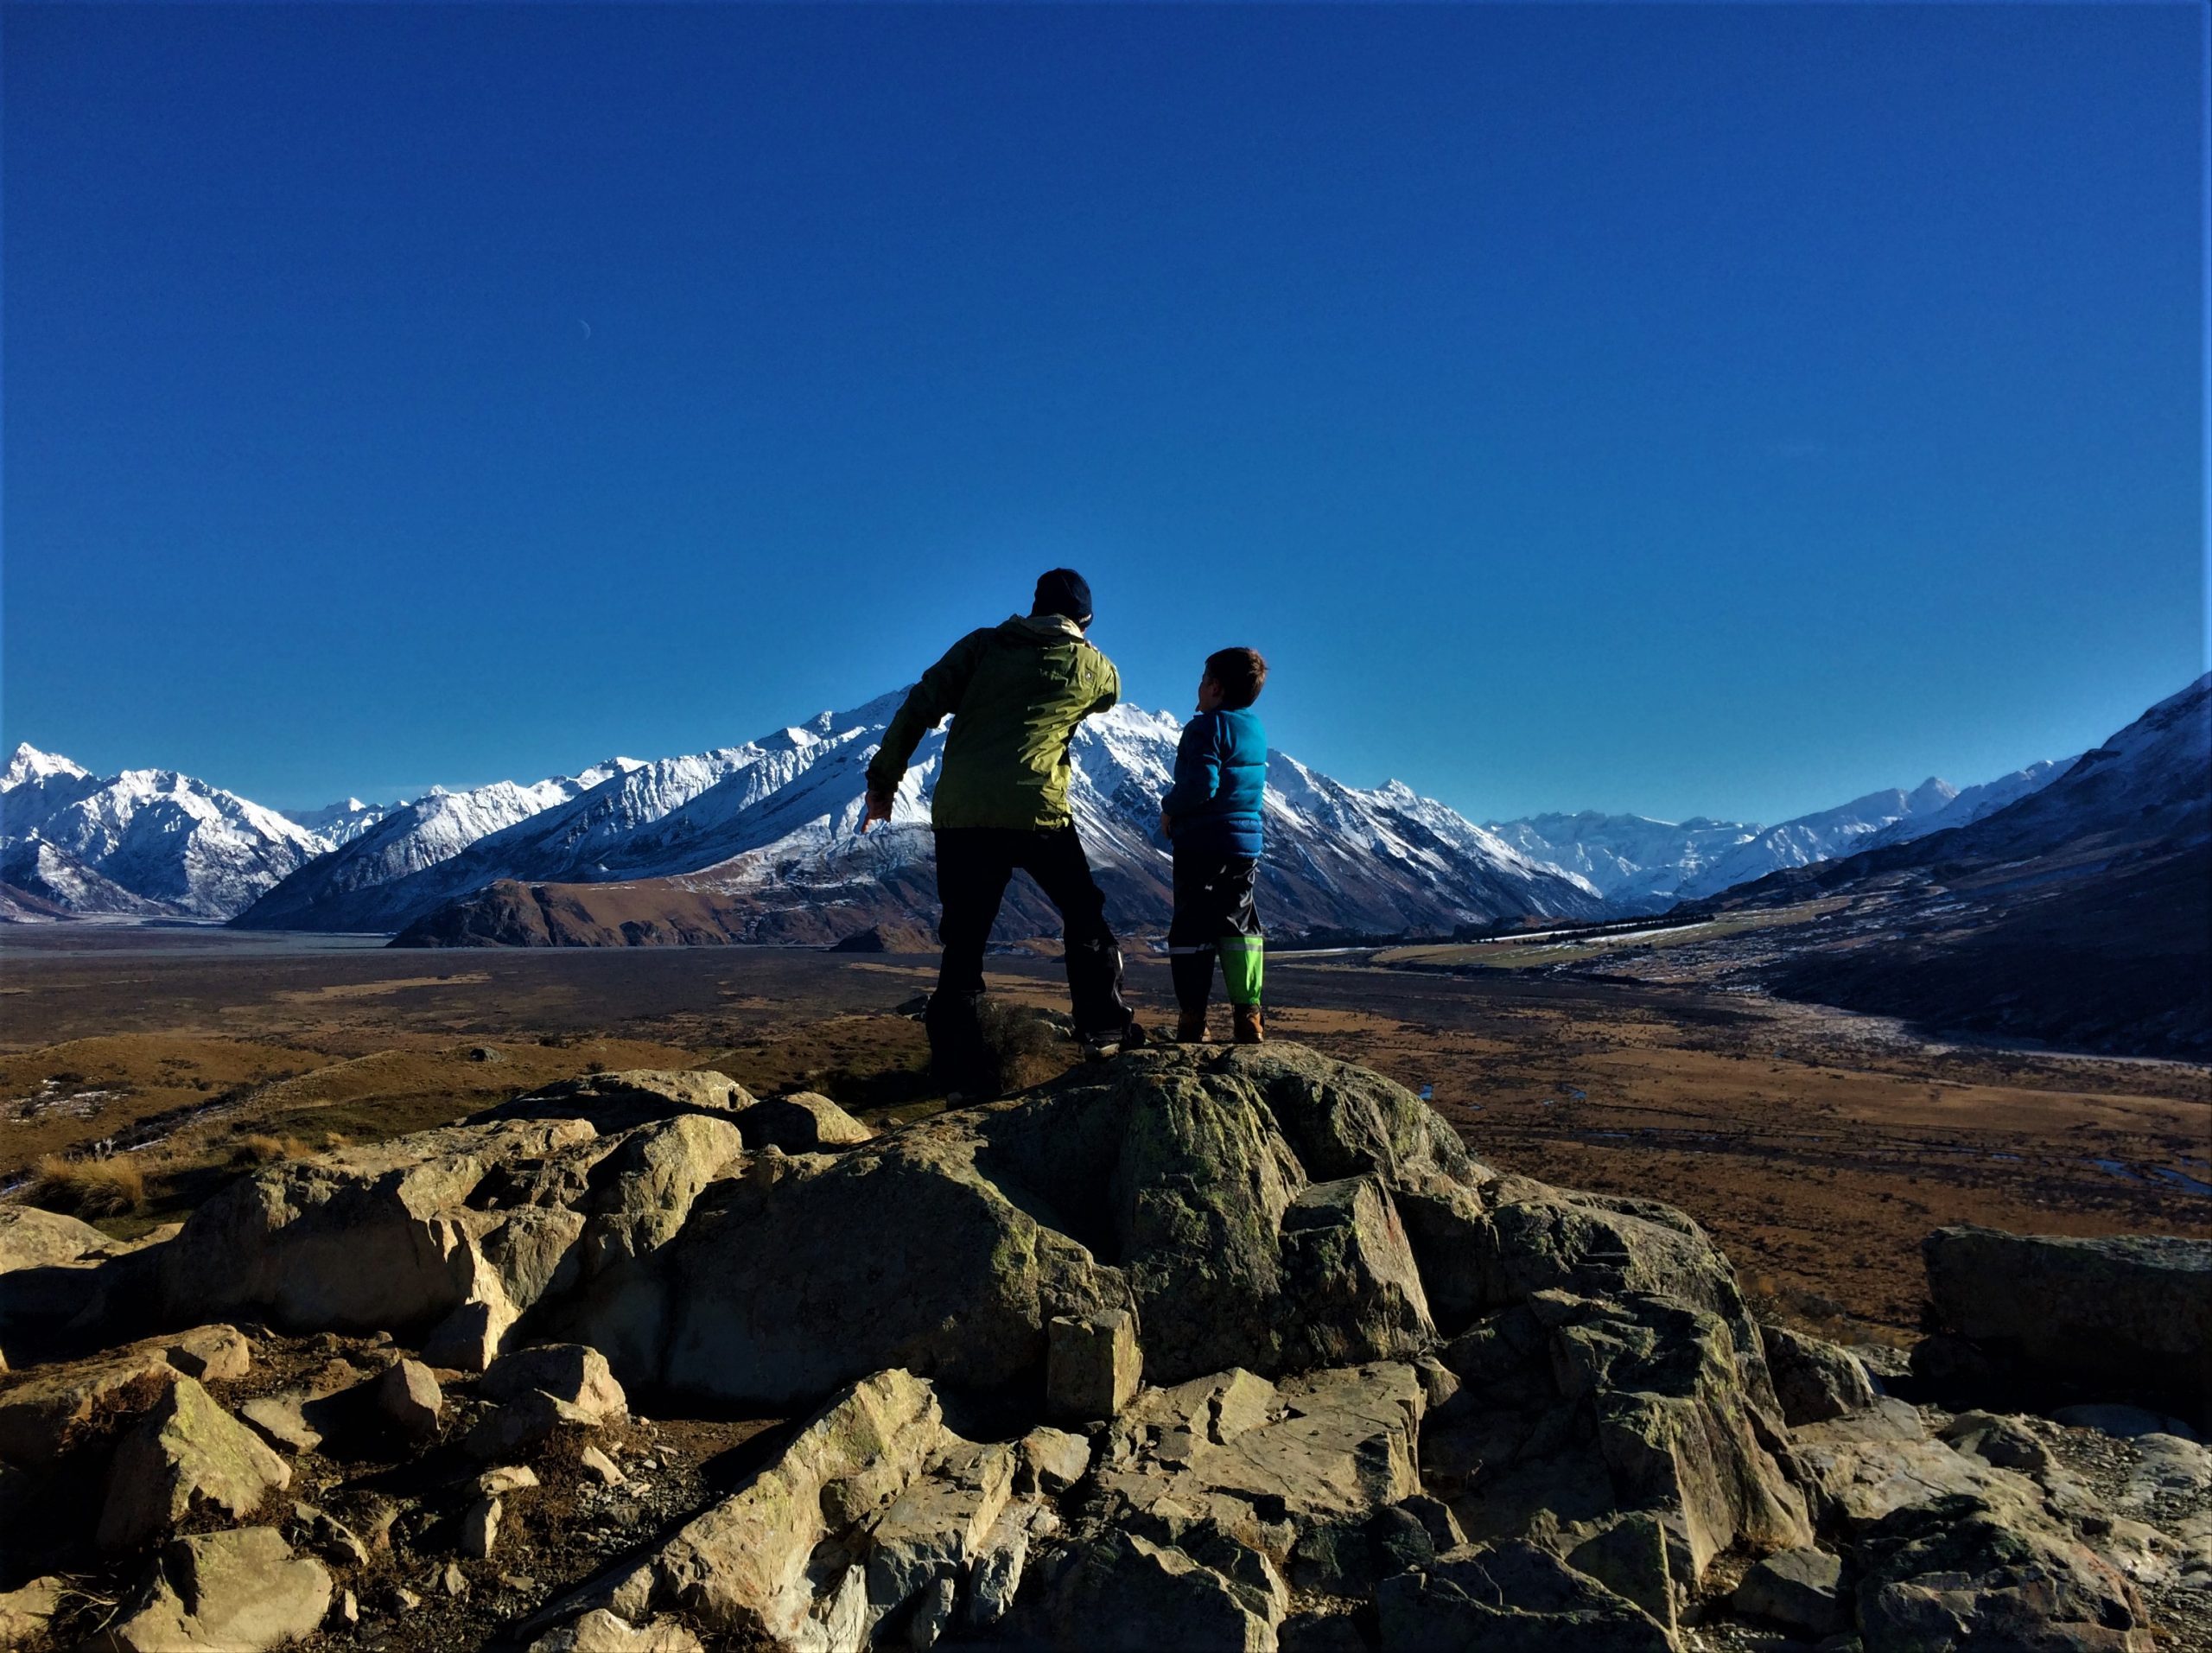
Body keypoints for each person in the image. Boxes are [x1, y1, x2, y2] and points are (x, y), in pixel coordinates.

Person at [862, 569, 1143, 1089]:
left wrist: (883, 782)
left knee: (965, 939)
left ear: (1033, 606)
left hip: (962, 811)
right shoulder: (1094, 667)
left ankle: (957, 1068)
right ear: (1085, 620)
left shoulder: (981, 646)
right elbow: (1110, 695)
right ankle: (1103, 1031)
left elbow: (920, 705)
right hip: (1036, 810)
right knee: (1084, 914)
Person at [1160, 646, 1269, 1044]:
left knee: (1192, 928)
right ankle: (1249, 1016)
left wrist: (1169, 807)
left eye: (1204, 680)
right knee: (1240, 925)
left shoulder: (1204, 727)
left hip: (1200, 844)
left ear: (1216, 687)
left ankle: (1193, 1019)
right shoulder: (1255, 730)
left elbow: (1202, 785)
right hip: (1243, 846)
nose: (1200, 687)